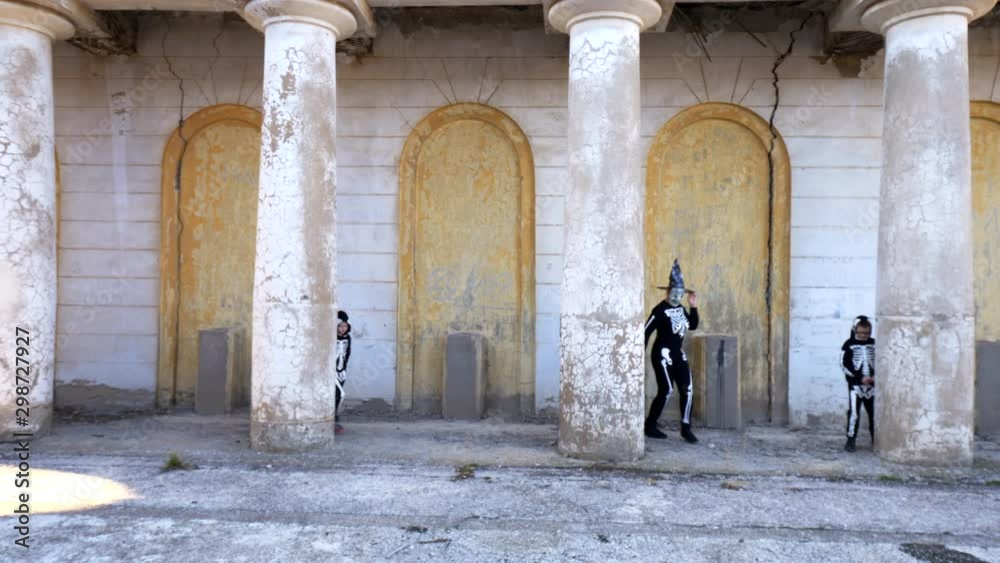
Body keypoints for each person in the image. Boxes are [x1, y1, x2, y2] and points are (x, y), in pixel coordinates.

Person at [644, 258, 699, 443]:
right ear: (668, 292)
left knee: (688, 389)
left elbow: (692, 326)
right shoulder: (659, 310)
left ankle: (686, 427)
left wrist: (693, 306)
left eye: (680, 293)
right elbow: (646, 332)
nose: (677, 296)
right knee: (666, 389)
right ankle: (650, 425)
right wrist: (639, 354)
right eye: (674, 292)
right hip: (662, 354)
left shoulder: (682, 309)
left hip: (677, 353)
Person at [841, 315, 875, 452]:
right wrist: (859, 377)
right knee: (854, 414)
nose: (863, 335)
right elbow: (844, 364)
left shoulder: (874, 343)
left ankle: (876, 439)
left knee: (874, 415)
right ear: (855, 330)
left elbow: (883, 361)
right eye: (860, 333)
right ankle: (850, 440)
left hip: (873, 387)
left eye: (866, 333)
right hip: (856, 386)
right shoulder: (848, 344)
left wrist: (874, 377)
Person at [335, 310, 352, 434]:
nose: (343, 329)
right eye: (340, 326)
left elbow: (347, 354)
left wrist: (343, 369)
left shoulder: (348, 338)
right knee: (340, 395)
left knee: (337, 397)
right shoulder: (332, 338)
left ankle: (334, 420)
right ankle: (335, 420)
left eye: (345, 326)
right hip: (332, 372)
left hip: (342, 372)